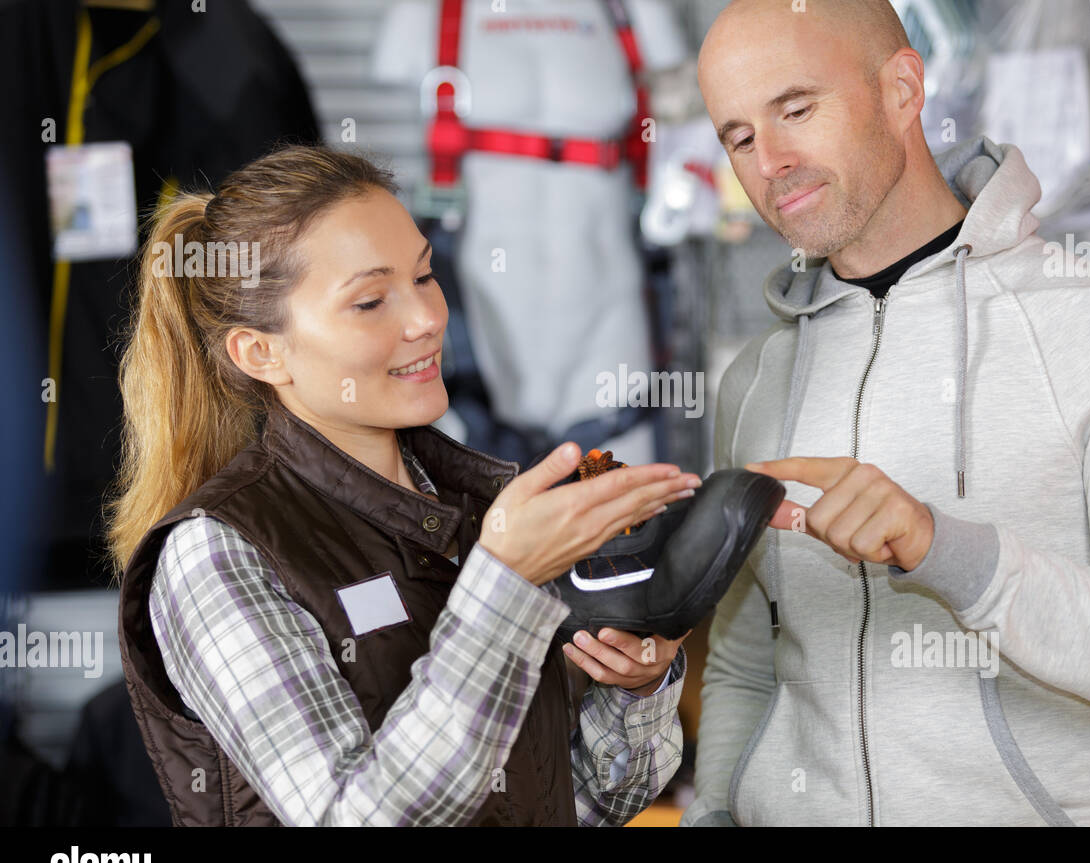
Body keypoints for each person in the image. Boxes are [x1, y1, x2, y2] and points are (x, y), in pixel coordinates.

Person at [685, 0, 1090, 826]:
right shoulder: (757, 380)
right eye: (737, 136)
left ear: (902, 89)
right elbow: (743, 661)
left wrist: (945, 551)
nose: (769, 163)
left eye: (797, 109)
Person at [106, 145, 700, 826]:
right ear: (261, 353)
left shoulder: (487, 512)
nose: (426, 319)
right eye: (369, 301)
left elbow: (588, 803)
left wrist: (639, 686)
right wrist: (503, 588)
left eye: (424, 276)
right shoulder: (217, 555)